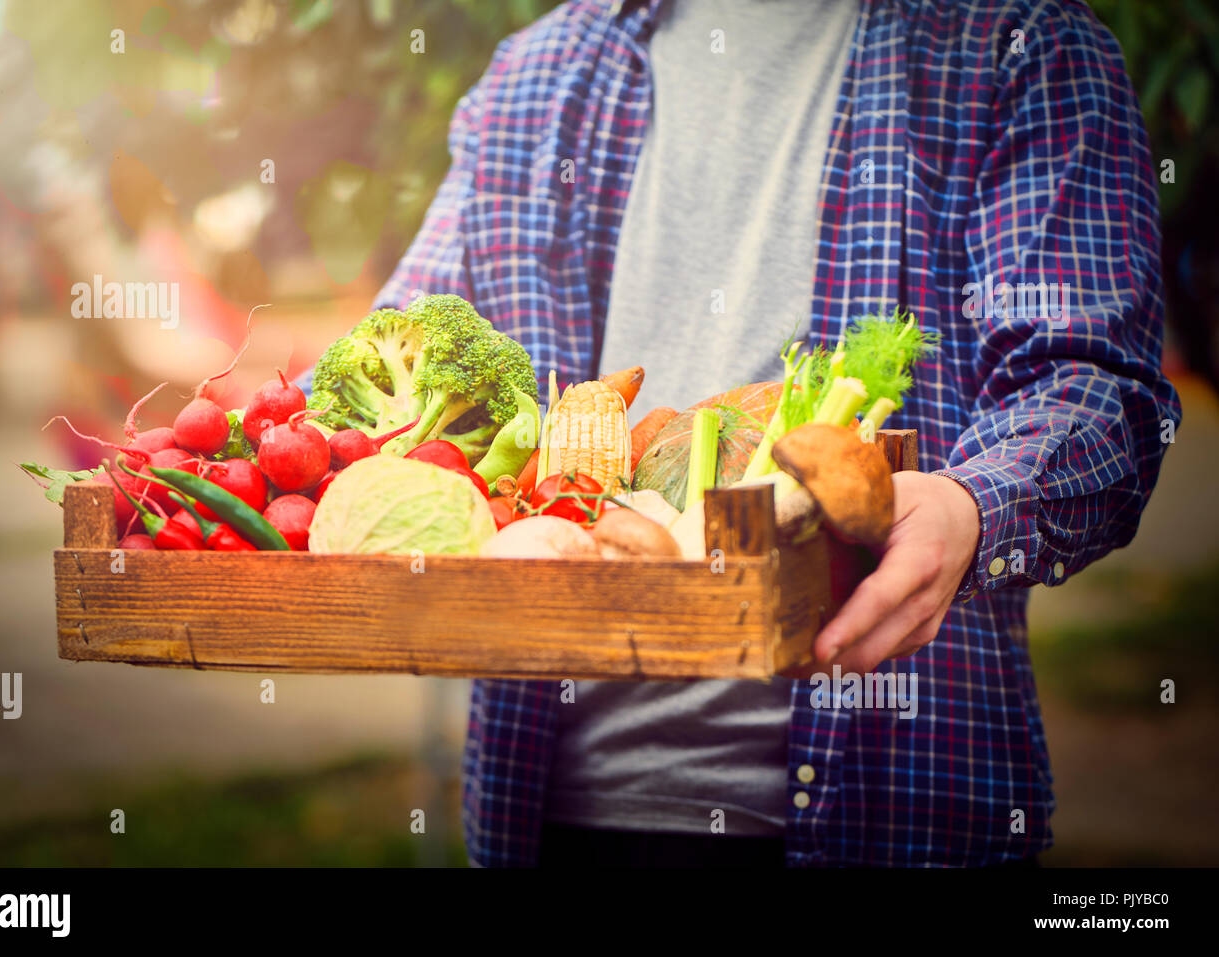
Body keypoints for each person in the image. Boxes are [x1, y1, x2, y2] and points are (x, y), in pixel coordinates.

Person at [320, 0, 1181, 866]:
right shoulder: (532, 74)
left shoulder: (1016, 44)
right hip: (548, 811)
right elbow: (391, 364)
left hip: (893, 809)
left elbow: (1096, 384)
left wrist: (973, 506)